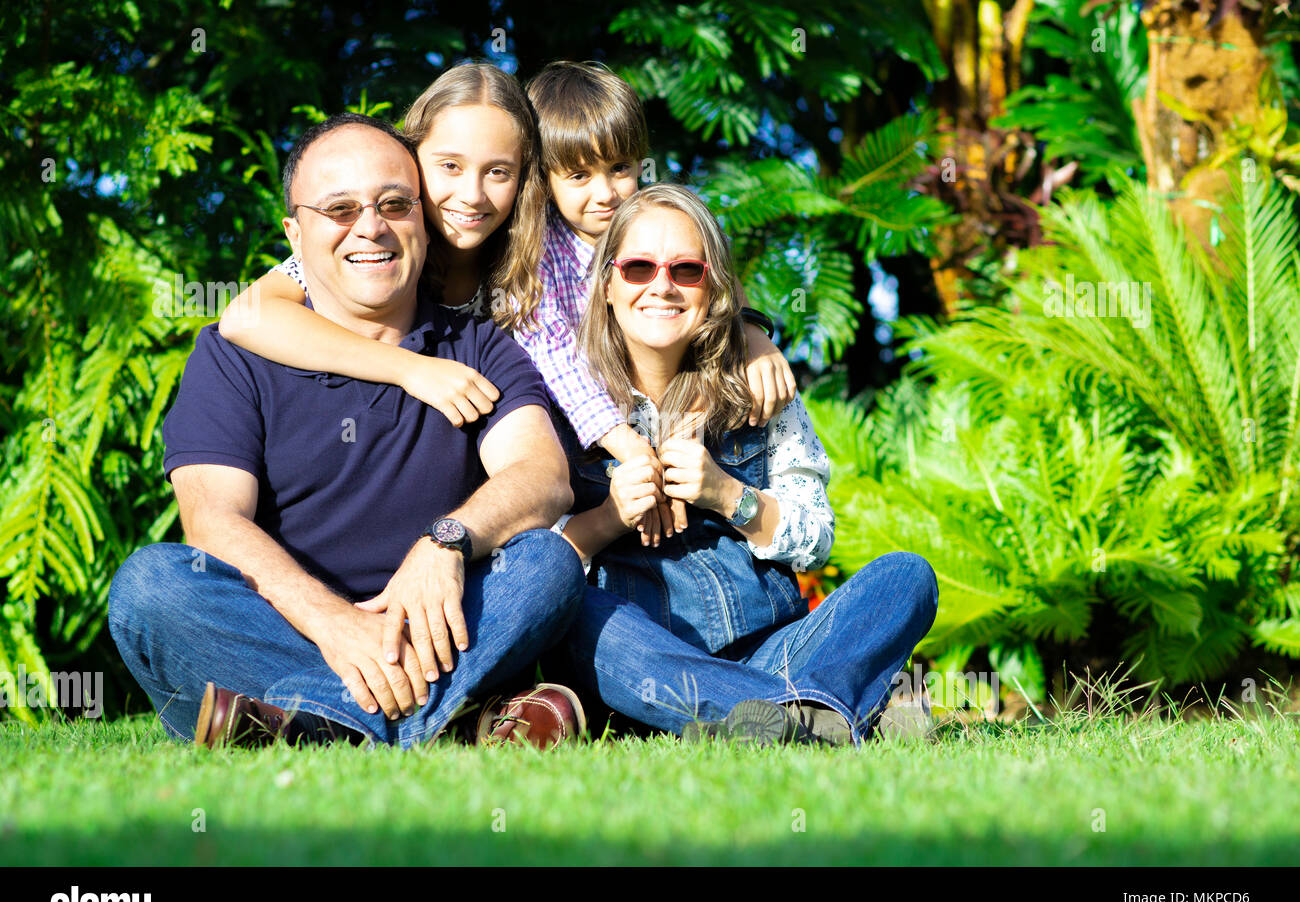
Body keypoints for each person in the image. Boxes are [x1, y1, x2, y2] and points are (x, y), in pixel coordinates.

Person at [107, 112, 587, 750]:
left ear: (422, 219)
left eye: (395, 204)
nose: (371, 227)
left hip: (444, 628)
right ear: (294, 233)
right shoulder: (234, 356)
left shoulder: (478, 346)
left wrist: (443, 543)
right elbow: (213, 523)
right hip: (288, 626)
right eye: (339, 209)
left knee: (546, 562)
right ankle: (442, 725)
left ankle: (309, 726)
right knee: (152, 585)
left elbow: (542, 477)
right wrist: (335, 625)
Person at [216, 60, 797, 547]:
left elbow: (681, 257)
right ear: (411, 158)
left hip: (526, 486)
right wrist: (412, 369)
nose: (471, 195)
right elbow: (246, 315)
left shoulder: (538, 254)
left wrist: (748, 330)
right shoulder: (381, 246)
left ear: (526, 179)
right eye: (447, 167)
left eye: (498, 172)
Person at [555, 184, 939, 746]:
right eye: (638, 267)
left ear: (715, 291)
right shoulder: (567, 402)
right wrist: (613, 516)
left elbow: (817, 539)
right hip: (647, 659)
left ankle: (761, 715)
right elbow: (533, 555)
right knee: (577, 615)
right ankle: (818, 712)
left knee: (908, 576)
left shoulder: (761, 393)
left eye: (686, 271)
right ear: (607, 284)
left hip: (774, 648)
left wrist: (728, 494)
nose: (661, 285)